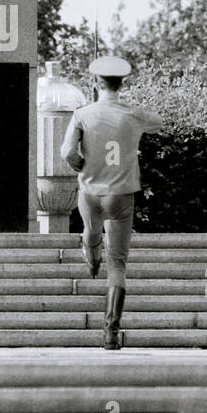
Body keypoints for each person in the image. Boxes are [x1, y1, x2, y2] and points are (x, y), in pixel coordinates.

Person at [60, 55, 164, 350]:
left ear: (96, 82)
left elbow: (67, 152)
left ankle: (90, 252)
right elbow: (159, 123)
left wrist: (81, 165)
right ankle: (110, 332)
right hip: (122, 195)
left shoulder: (82, 114)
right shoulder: (133, 114)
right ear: (122, 83)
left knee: (91, 231)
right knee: (117, 262)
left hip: (90, 192)